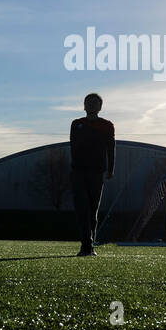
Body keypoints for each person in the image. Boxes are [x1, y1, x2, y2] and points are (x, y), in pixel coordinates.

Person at [69, 93, 115, 256]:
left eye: (95, 103)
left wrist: (110, 168)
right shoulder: (76, 124)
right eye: (88, 102)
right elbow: (73, 146)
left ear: (100, 107)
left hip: (97, 172)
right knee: (82, 208)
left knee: (93, 209)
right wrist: (76, 167)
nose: (91, 105)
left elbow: (111, 147)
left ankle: (90, 245)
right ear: (84, 105)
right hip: (79, 172)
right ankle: (85, 246)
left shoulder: (107, 125)